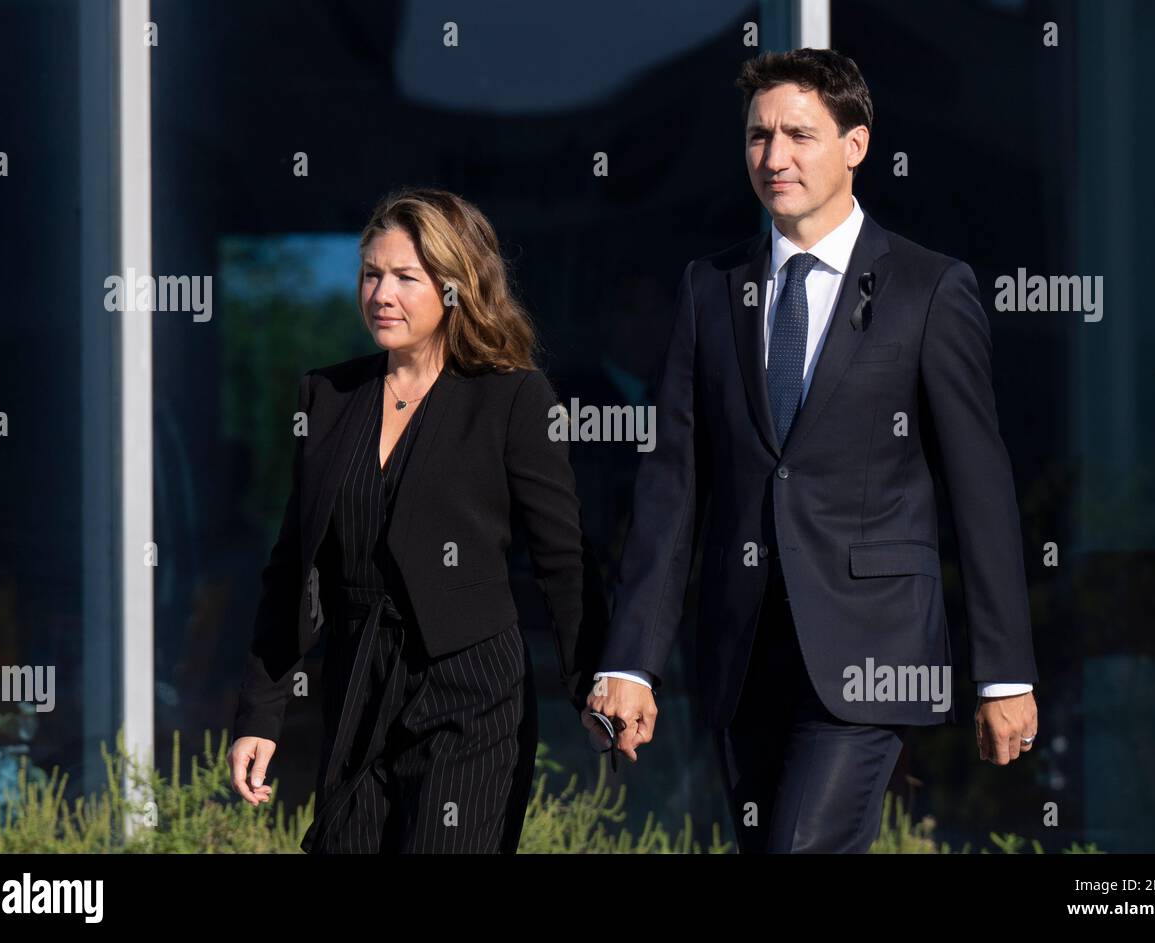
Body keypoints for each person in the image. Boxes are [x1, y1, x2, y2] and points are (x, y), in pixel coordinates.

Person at [585, 48, 1040, 853]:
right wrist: (633, 659)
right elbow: (672, 488)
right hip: (741, 654)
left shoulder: (930, 289)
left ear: (855, 146)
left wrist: (1004, 670)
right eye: (759, 136)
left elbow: (980, 488)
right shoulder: (709, 287)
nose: (774, 156)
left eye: (799, 134)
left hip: (872, 656)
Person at [228, 187, 605, 853]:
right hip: (356, 690)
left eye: (406, 276)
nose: (381, 293)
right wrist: (261, 711)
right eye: (371, 273)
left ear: (457, 286)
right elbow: (292, 566)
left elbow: (563, 559)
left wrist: (599, 684)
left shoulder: (511, 398)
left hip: (471, 695)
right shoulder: (328, 395)